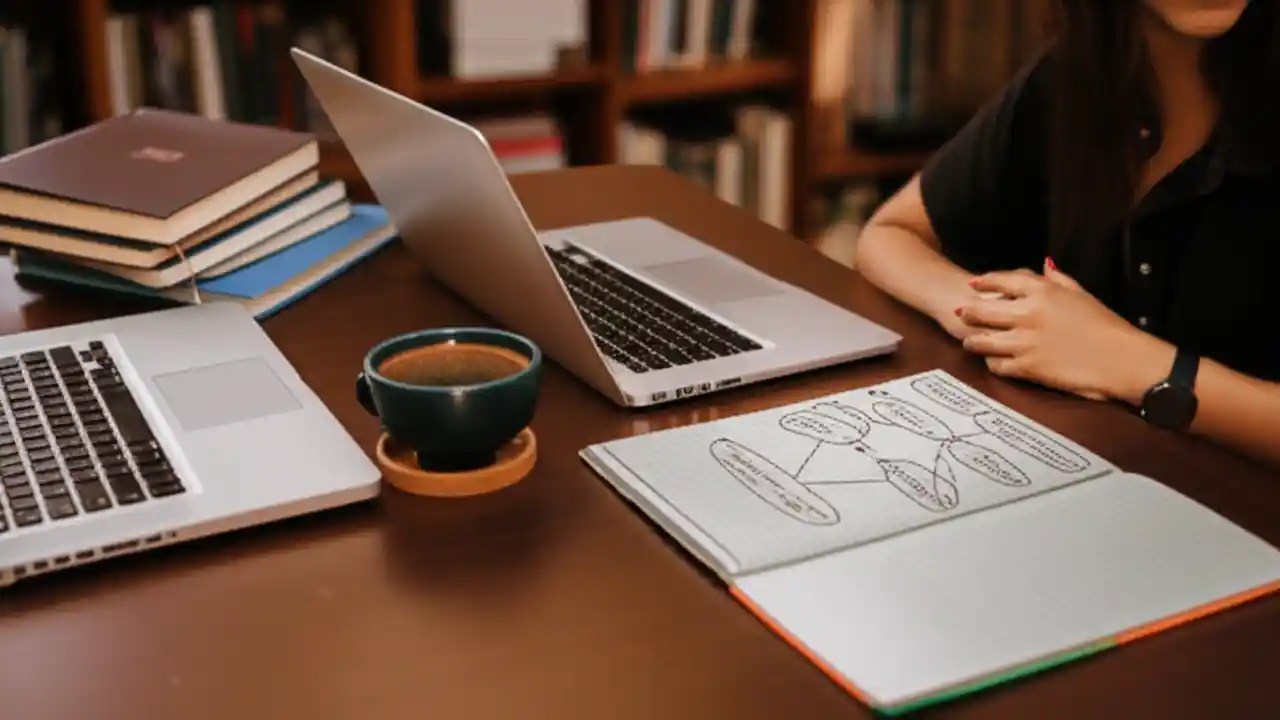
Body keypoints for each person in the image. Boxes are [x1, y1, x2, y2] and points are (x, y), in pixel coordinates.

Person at [854, 0, 1280, 469]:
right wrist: (993, 318)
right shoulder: (1073, 78)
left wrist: (1128, 363)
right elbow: (889, 235)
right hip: (1100, 477)